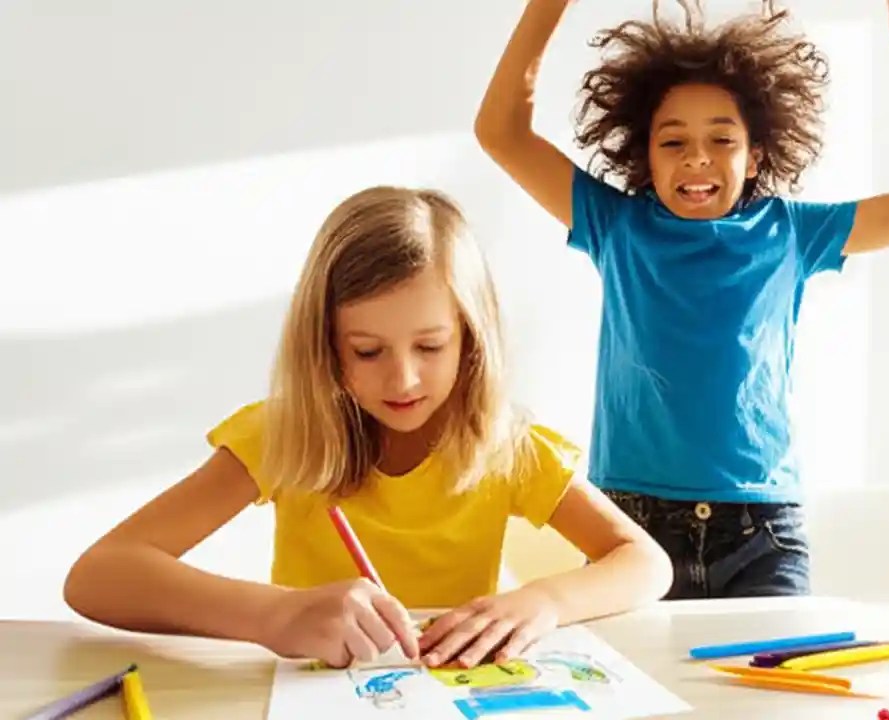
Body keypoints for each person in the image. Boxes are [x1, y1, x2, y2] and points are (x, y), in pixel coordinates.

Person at [62, 186, 673, 669]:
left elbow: (644, 561)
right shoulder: (284, 435)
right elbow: (99, 575)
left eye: (430, 346)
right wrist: (274, 616)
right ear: (326, 347)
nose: (403, 380)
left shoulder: (503, 445)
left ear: (470, 339)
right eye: (368, 351)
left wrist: (544, 601)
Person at [474, 0, 889, 599]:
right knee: (635, 692)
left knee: (780, 692)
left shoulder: (791, 232)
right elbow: (499, 131)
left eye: (722, 139)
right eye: (673, 141)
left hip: (763, 533)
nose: (697, 157)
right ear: (644, 157)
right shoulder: (616, 225)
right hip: (635, 531)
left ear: (755, 155)